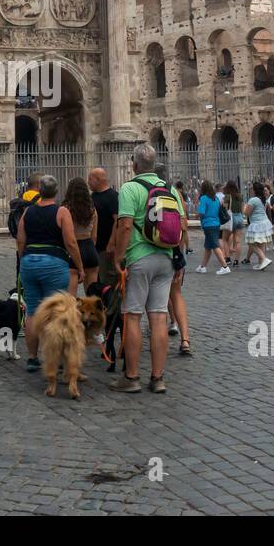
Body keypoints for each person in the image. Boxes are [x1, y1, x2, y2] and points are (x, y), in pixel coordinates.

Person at [110, 145, 181, 393]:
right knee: (159, 316)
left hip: (140, 258)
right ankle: (158, 378)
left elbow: (126, 226)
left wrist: (119, 257)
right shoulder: (170, 188)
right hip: (166, 258)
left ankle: (131, 377)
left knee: (132, 315)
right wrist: (178, 260)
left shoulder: (130, 188)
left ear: (134, 165)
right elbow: (180, 225)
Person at [17, 175, 84, 371]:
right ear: (56, 192)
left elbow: (21, 240)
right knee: (57, 312)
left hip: (30, 262)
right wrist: (79, 266)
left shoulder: (27, 212)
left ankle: (31, 358)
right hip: (54, 263)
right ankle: (58, 358)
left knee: (32, 312)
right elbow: (71, 242)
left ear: (39, 190)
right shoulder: (61, 212)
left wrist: (24, 259)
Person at [62, 177, 100, 293]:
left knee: (70, 298)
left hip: (73, 250)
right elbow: (94, 237)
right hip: (89, 249)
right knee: (92, 296)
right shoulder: (92, 209)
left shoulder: (65, 209)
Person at [88, 168, 120, 291]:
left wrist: (112, 243)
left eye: (90, 179)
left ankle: (110, 309)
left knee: (108, 281)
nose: (88, 182)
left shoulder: (113, 197)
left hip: (106, 249)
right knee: (96, 283)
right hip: (94, 248)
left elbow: (117, 221)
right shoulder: (92, 197)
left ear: (98, 180)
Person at [194, 180, 230, 275]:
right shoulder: (216, 198)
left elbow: (202, 212)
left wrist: (196, 215)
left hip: (208, 224)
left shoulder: (204, 198)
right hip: (216, 223)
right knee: (208, 247)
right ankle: (203, 267)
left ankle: (225, 266)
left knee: (215, 246)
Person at [243, 180, 274, 271]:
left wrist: (243, 207)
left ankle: (264, 259)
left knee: (251, 243)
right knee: (261, 243)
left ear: (254, 190)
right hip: (264, 222)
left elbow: (247, 213)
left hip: (257, 223)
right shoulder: (262, 198)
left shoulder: (253, 200)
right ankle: (261, 264)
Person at [222, 180, 246, 266]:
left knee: (224, 239)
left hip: (230, 219)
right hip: (239, 217)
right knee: (238, 241)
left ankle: (227, 258)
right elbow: (243, 207)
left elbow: (225, 209)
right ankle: (236, 260)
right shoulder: (240, 195)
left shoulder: (227, 196)